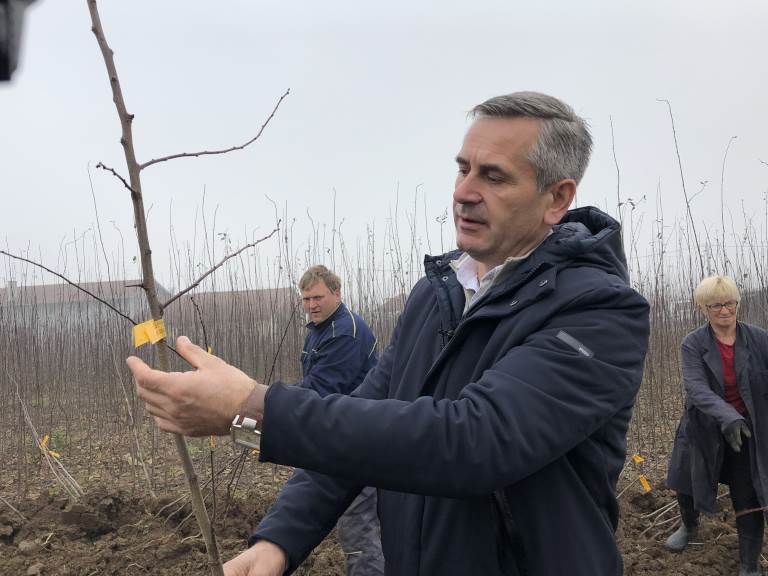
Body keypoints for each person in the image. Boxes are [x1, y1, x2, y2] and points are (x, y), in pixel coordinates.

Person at [127, 91, 650, 576]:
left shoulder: (599, 311)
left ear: (556, 198)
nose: (465, 193)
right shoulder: (437, 294)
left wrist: (253, 409)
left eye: (494, 176)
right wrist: (280, 538)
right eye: (463, 169)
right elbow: (368, 413)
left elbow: (473, 441)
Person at [666, 276, 768, 576]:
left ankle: (749, 566)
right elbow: (696, 388)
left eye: (730, 303)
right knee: (685, 483)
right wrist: (726, 415)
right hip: (703, 428)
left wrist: (739, 420)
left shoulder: (760, 339)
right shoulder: (693, 344)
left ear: (737, 303)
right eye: (716, 305)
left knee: (748, 494)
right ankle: (689, 525)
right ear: (703, 308)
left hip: (745, 431)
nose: (725, 310)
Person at [294, 265, 384, 576]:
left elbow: (321, 388)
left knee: (357, 524)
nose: (311, 305)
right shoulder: (321, 329)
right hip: (340, 433)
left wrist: (270, 400)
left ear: (337, 293)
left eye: (317, 297)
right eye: (305, 299)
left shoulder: (344, 332)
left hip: (356, 439)